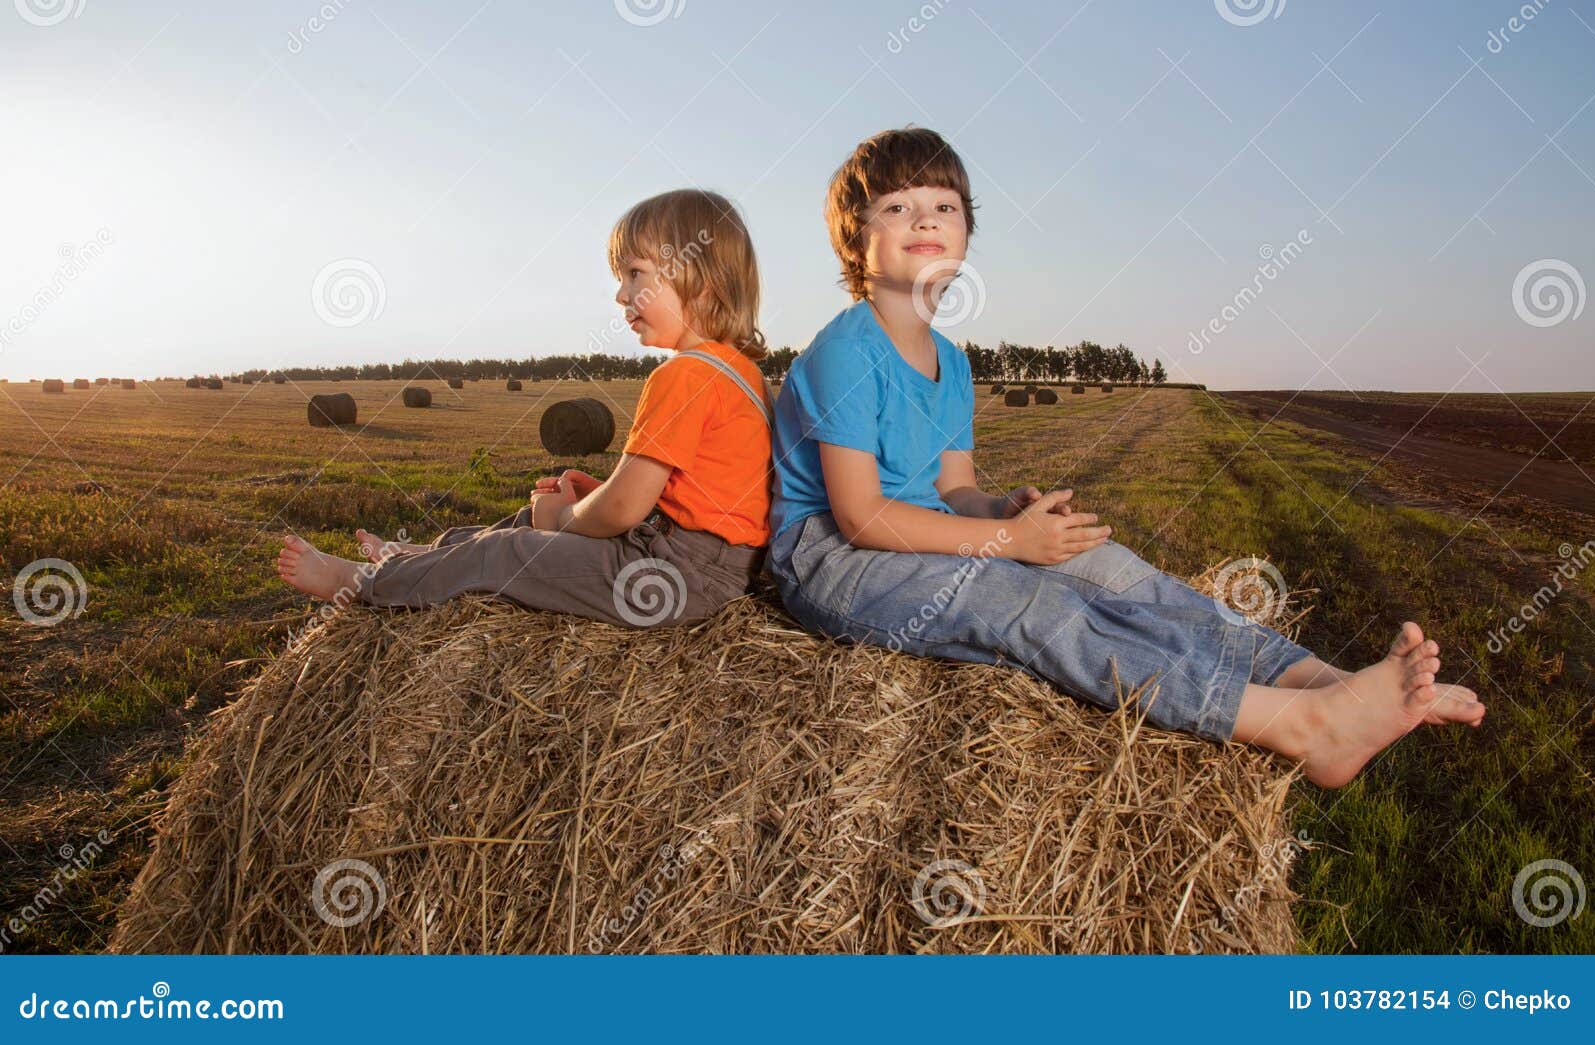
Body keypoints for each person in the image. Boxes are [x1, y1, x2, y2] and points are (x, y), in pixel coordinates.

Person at [766, 127, 1484, 788]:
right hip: (830, 557)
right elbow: (860, 517)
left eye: (944, 205)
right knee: (1022, 600)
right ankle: (1301, 727)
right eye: (897, 206)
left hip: (921, 530)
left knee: (1114, 570)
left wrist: (1006, 512)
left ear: (967, 232)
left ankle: (1316, 678)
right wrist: (1010, 546)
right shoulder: (846, 351)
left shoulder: (952, 364)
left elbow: (953, 488)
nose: (925, 219)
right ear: (853, 242)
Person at [277, 189, 773, 628]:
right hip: (702, 565)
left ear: (700, 281)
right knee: (522, 521)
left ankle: (361, 583)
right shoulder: (741, 374)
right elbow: (690, 495)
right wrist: (589, 496)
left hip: (676, 578)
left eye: (635, 275)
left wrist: (563, 519)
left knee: (507, 550)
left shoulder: (683, 375)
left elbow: (623, 510)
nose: (620, 294)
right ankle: (427, 557)